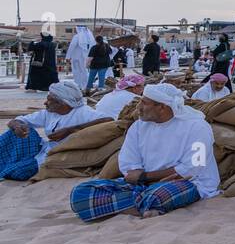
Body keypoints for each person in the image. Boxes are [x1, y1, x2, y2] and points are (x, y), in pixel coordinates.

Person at [70, 83, 218, 221]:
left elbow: (194, 167)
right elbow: (128, 163)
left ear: (162, 107)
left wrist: (145, 176)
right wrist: (143, 179)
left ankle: (136, 205)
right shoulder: (138, 127)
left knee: (158, 195)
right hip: (143, 184)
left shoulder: (198, 127)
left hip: (190, 182)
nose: (138, 108)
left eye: (144, 103)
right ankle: (144, 207)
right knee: (80, 193)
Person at [1, 82, 111, 181]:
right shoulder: (49, 112)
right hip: (42, 148)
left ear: (64, 103)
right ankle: (9, 163)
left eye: (49, 100)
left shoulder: (85, 113)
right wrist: (17, 126)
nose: (45, 103)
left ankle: (10, 164)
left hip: (56, 156)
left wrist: (70, 130)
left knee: (19, 172)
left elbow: (110, 121)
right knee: (13, 133)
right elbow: (18, 120)